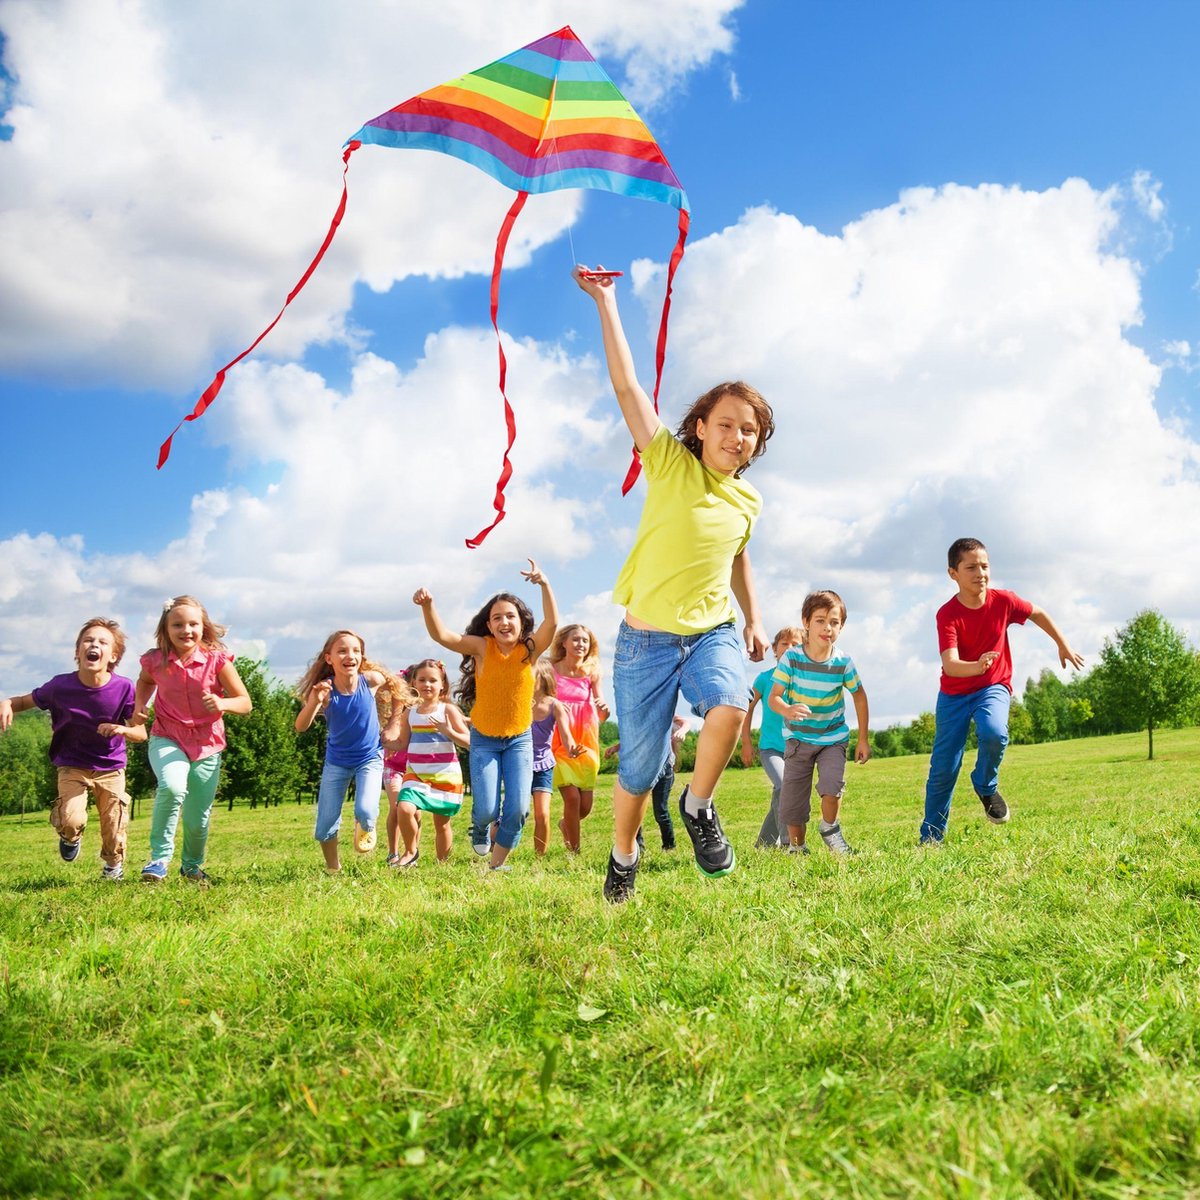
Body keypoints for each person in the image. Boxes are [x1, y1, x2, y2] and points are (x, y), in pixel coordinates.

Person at [574, 265, 774, 902]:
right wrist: (607, 301)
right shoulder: (667, 462)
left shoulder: (749, 502)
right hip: (645, 644)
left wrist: (753, 618)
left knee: (731, 704)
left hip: (710, 631)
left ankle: (699, 805)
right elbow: (629, 388)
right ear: (700, 427)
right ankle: (623, 854)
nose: (736, 436)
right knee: (635, 769)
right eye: (726, 423)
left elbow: (738, 558)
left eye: (749, 430)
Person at [920, 537, 1085, 844]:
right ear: (952, 573)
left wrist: (1062, 643)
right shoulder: (948, 614)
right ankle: (931, 838)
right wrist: (977, 665)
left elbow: (1037, 612)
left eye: (985, 566)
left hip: (993, 686)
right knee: (943, 767)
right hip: (954, 694)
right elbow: (952, 664)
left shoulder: (1004, 601)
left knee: (995, 732)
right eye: (971, 567)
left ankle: (985, 784)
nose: (980, 573)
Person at [414, 559, 559, 871]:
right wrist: (428, 606)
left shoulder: (530, 650)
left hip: (520, 739)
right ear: (489, 625)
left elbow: (552, 624)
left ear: (521, 621)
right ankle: (479, 828)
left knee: (519, 807)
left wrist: (544, 584)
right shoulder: (482, 647)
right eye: (497, 618)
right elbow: (443, 636)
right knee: (486, 809)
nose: (504, 622)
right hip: (485, 740)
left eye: (510, 616)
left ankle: (496, 865)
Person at [0, 617, 145, 880]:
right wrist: (8, 703)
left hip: (111, 767)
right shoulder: (60, 686)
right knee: (71, 820)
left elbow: (140, 732)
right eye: (88, 640)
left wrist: (123, 729)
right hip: (71, 764)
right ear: (78, 651)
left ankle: (113, 867)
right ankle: (69, 837)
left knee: (113, 823)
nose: (94, 645)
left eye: (103, 642)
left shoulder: (124, 687)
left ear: (113, 656)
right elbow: (25, 701)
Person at [133, 596, 252, 884]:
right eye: (177, 624)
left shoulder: (217, 660)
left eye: (192, 624)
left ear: (203, 627)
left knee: (198, 818)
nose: (186, 630)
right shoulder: (155, 660)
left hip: (207, 743)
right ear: (166, 629)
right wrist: (140, 705)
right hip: (167, 735)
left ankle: (191, 867)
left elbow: (245, 702)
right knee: (172, 787)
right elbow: (145, 681)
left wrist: (223, 705)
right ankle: (159, 859)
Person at [295, 629, 410, 875]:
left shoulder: (370, 680)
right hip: (336, 762)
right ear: (329, 658)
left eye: (356, 651)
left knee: (366, 811)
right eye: (343, 651)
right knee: (325, 825)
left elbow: (398, 688)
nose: (351, 656)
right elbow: (300, 726)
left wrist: (393, 723)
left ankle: (364, 823)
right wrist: (315, 700)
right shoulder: (326, 691)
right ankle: (333, 868)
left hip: (369, 758)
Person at [769, 591, 870, 856]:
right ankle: (797, 846)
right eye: (820, 620)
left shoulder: (843, 662)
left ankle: (829, 828)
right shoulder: (792, 659)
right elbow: (774, 698)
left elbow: (859, 696)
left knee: (832, 787)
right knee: (793, 802)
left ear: (841, 627)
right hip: (798, 739)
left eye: (834, 622)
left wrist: (862, 739)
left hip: (832, 738)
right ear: (806, 622)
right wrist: (788, 709)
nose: (827, 627)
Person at [381, 658, 469, 868]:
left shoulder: (448, 711)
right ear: (414, 684)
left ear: (442, 685)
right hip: (416, 774)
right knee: (404, 807)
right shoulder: (409, 713)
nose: (427, 684)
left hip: (445, 775)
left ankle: (443, 865)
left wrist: (448, 731)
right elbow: (403, 743)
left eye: (432, 680)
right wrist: (386, 742)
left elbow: (469, 742)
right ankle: (411, 851)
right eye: (422, 680)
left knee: (442, 825)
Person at [741, 626, 803, 848]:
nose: (790, 648)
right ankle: (789, 843)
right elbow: (747, 708)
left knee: (780, 792)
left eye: (796, 644)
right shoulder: (765, 679)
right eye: (785, 644)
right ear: (775, 649)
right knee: (786, 787)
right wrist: (746, 742)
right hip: (771, 749)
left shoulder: (804, 680)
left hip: (797, 750)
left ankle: (764, 844)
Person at [549, 624, 609, 852]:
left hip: (587, 740)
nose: (580, 644)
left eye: (585, 641)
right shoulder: (551, 670)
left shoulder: (592, 673)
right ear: (563, 642)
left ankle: (566, 825)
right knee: (572, 799)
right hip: (560, 740)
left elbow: (601, 711)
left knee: (585, 807)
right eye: (575, 639)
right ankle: (574, 851)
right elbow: (541, 701)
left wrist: (604, 709)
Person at [529, 659, 579, 856]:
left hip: (543, 766)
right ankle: (498, 847)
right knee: (516, 814)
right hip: (519, 766)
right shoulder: (519, 703)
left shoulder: (554, 706)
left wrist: (572, 749)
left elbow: (566, 735)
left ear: (543, 678)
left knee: (542, 814)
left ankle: (539, 857)